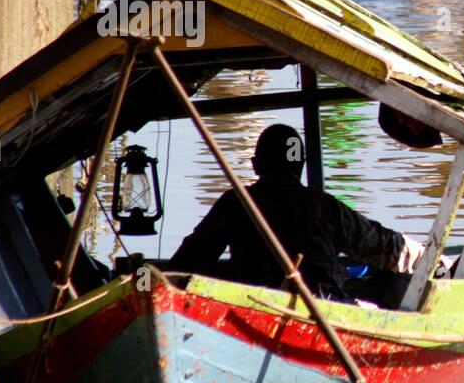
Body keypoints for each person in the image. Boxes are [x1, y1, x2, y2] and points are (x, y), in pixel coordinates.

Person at [170, 124, 431, 301]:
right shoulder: (321, 204)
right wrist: (429, 260)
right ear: (301, 167)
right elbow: (379, 244)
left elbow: (191, 259)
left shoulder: (235, 203)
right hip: (324, 308)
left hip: (252, 307)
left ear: (256, 165)